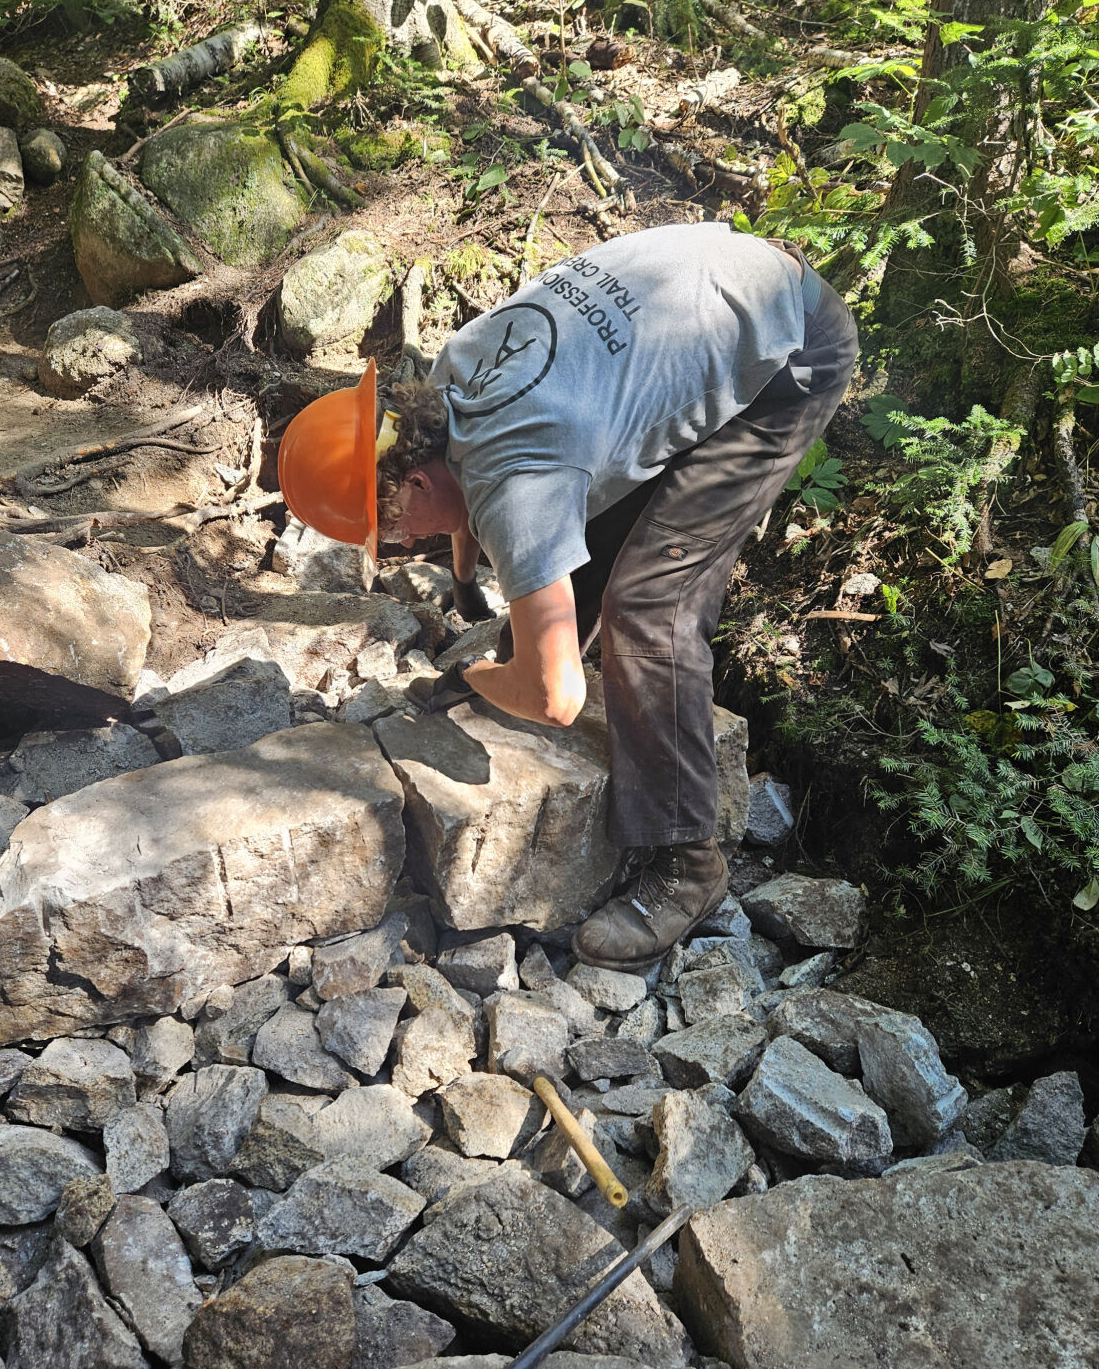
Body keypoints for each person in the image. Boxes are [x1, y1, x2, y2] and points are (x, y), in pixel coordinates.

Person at [279, 221, 859, 971]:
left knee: (650, 606)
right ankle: (548, 642)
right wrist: (468, 586)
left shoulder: (515, 484)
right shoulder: (452, 377)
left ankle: (686, 865)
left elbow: (555, 699)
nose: (394, 547)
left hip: (789, 346)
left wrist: (485, 677)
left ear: (415, 477)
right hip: (719, 284)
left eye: (388, 530)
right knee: (572, 532)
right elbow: (491, 500)